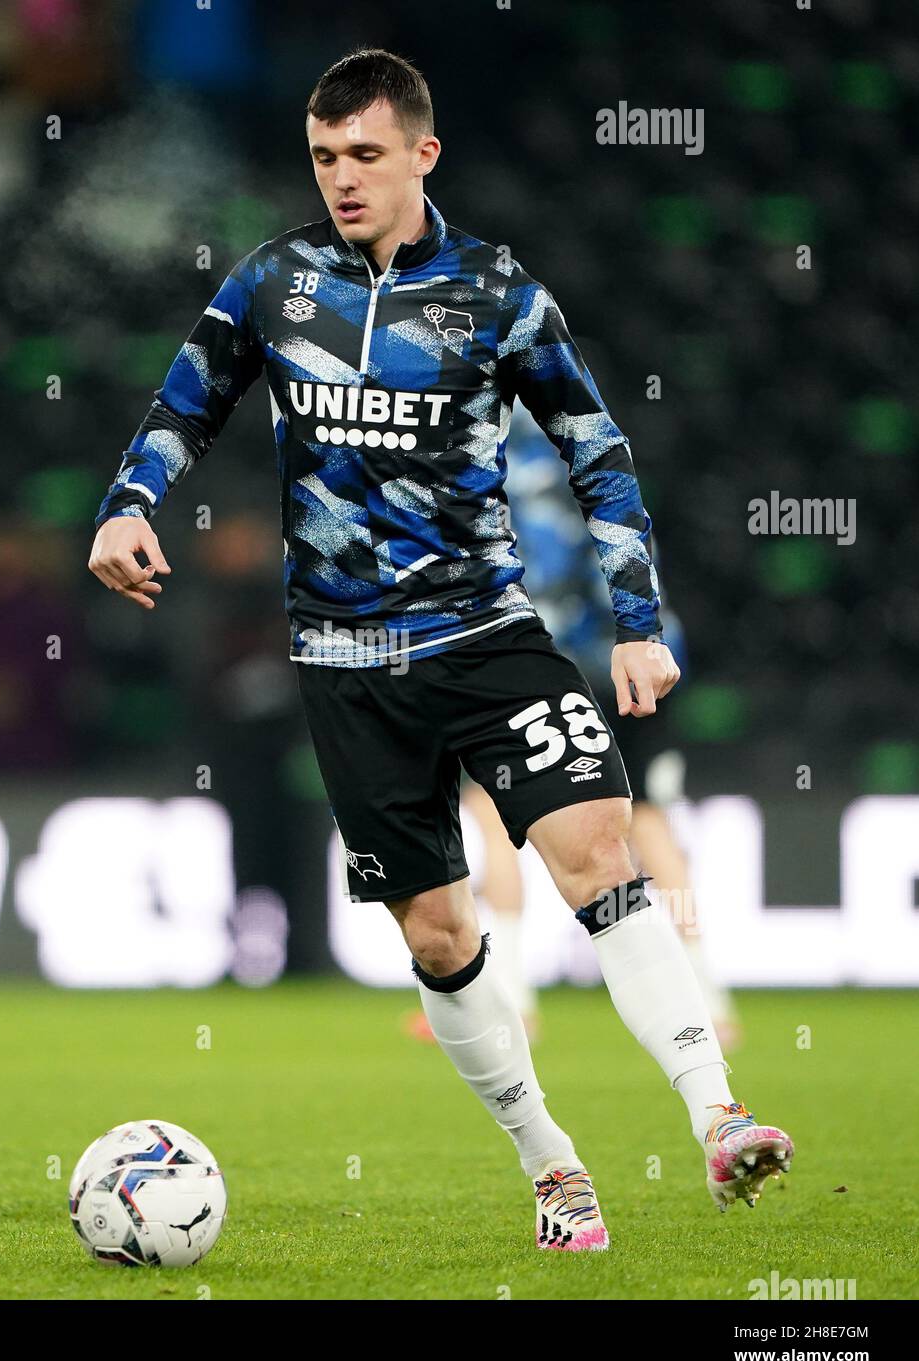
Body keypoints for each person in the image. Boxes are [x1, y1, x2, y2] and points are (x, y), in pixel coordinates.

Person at [89, 49, 792, 1251]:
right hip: (343, 664)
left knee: (596, 844)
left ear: (422, 152)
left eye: (364, 154)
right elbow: (183, 405)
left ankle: (715, 1115)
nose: (342, 179)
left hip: (486, 635)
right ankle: (551, 1162)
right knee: (436, 936)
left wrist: (633, 622)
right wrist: (126, 501)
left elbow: (595, 448)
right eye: (322, 158)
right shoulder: (273, 283)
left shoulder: (495, 292)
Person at [407, 403, 742, 1049]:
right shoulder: (598, 450)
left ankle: (507, 999)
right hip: (640, 654)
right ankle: (708, 999)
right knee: (645, 821)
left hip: (552, 661)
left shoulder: (489, 460)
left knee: (490, 811)